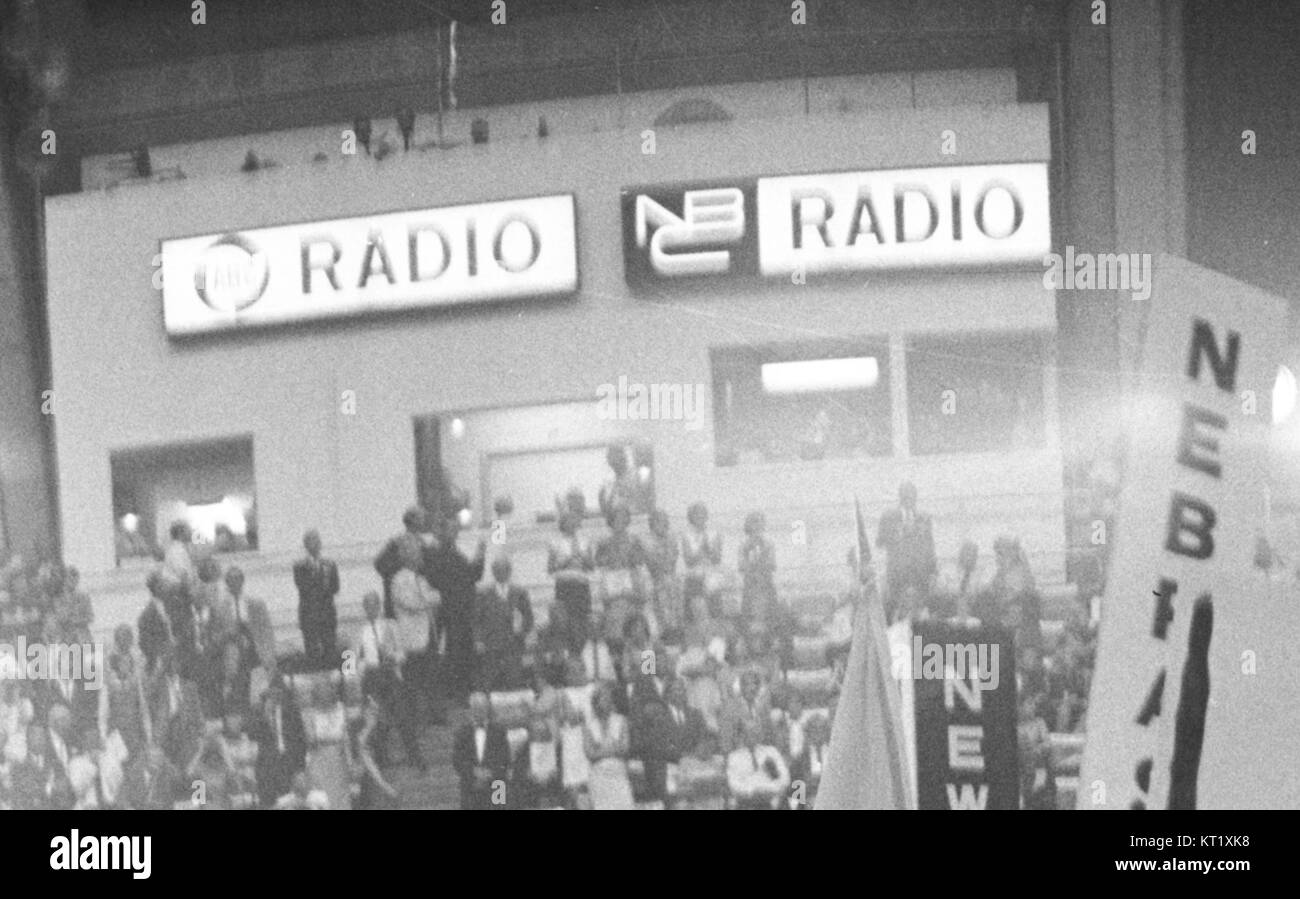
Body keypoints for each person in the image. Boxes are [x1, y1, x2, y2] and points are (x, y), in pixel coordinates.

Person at [426, 515, 486, 706]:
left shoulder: (454, 551)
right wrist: (476, 559)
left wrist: (480, 555)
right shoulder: (439, 552)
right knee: (456, 651)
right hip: (453, 608)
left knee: (464, 650)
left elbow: (472, 575)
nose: (456, 533)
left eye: (456, 529)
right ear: (442, 532)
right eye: (451, 529)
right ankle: (458, 693)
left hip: (463, 608)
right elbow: (466, 575)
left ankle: (463, 691)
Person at [353, 590, 418, 768]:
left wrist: (392, 656)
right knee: (377, 719)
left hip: (389, 672)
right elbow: (349, 660)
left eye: (374, 605)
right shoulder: (359, 630)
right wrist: (359, 669)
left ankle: (414, 756)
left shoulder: (391, 626)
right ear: (364, 609)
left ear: (380, 606)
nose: (371, 609)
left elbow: (403, 653)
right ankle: (382, 758)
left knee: (402, 714)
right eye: (367, 606)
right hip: (371, 676)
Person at [391, 538, 440, 717]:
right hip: (410, 638)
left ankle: (428, 716)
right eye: (418, 553)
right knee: (411, 682)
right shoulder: (399, 579)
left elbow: (431, 598)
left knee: (428, 679)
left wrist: (430, 599)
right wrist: (431, 599)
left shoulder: (419, 578)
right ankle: (411, 718)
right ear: (409, 557)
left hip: (425, 635)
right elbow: (411, 603)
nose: (421, 557)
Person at [875, 481, 937, 621]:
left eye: (912, 495)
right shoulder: (889, 516)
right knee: (898, 611)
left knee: (919, 611)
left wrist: (933, 570)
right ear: (900, 497)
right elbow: (879, 542)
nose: (909, 498)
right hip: (898, 573)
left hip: (920, 574)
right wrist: (894, 535)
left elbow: (930, 545)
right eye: (906, 495)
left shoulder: (924, 517)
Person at [474, 556, 534, 692]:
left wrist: (522, 634)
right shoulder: (483, 593)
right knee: (489, 681)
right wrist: (478, 640)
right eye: (497, 571)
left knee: (514, 679)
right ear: (493, 572)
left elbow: (528, 617)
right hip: (490, 643)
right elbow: (476, 619)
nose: (500, 574)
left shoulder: (519, 592)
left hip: (513, 644)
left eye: (503, 571)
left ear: (509, 572)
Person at [250, 679, 307, 808]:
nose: (274, 698)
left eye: (277, 694)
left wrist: (300, 769)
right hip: (266, 767)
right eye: (271, 695)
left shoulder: (292, 712)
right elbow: (252, 734)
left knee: (287, 803)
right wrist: (266, 715)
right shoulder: (258, 713)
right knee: (268, 804)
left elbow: (301, 741)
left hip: (288, 764)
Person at [594, 504, 645, 648]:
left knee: (639, 631)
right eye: (617, 518)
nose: (620, 522)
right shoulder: (604, 542)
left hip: (632, 583)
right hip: (613, 586)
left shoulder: (635, 539)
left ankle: (648, 669)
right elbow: (598, 562)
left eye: (624, 518)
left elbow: (640, 560)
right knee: (615, 634)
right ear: (611, 521)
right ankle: (622, 668)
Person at [451, 691, 510, 809]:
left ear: (488, 709)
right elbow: (457, 760)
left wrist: (489, 774)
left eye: (483, 708)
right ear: (471, 710)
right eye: (477, 709)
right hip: (471, 784)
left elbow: (505, 758)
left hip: (497, 783)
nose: (480, 712)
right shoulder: (462, 733)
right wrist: (474, 772)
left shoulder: (499, 731)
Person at [547, 510, 594, 655]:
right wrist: (566, 560)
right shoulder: (555, 542)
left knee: (581, 623)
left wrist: (583, 558)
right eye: (568, 521)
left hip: (581, 586)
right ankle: (572, 656)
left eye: (574, 520)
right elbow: (550, 568)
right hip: (565, 587)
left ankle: (578, 654)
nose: (571, 524)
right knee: (567, 623)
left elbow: (591, 566)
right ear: (563, 523)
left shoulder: (585, 541)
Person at [148, 649, 205, 769]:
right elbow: (147, 693)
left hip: (185, 732)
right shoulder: (159, 686)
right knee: (167, 771)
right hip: (165, 733)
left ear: (179, 664)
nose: (173, 666)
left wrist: (200, 731)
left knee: (188, 769)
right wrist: (159, 669)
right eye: (169, 662)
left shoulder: (190, 686)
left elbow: (197, 711)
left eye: (175, 662)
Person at [302, 678, 352, 810]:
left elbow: (346, 737)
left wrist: (350, 761)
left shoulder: (342, 709)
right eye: (320, 690)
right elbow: (311, 739)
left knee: (340, 797)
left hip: (339, 759)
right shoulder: (309, 713)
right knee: (322, 798)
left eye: (327, 689)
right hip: (319, 759)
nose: (324, 693)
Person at [583, 680, 634, 809]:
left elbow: (625, 748)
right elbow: (590, 753)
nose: (605, 702)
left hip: (618, 774)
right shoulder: (589, 726)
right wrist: (612, 748)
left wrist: (601, 749)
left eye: (607, 698)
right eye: (601, 699)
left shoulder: (621, 721)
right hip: (598, 776)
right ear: (595, 702)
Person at [294, 530, 340, 670]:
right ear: (305, 546)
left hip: (327, 614)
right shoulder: (299, 566)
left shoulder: (329, 564)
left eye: (316, 541)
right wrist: (320, 583)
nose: (314, 545)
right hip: (309, 615)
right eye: (310, 541)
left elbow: (335, 587)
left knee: (330, 651)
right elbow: (304, 588)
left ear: (320, 544)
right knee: (312, 654)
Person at [374, 507, 428, 621]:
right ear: (413, 520)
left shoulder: (422, 542)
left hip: (417, 591)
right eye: (420, 518)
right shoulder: (397, 542)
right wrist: (399, 572)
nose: (423, 520)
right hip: (400, 592)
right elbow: (380, 564)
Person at [224, 565, 277, 678]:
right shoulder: (221, 607)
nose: (234, 583)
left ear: (242, 581)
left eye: (237, 579)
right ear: (227, 583)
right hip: (234, 654)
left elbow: (267, 631)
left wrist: (268, 655)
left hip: (255, 652)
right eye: (231, 580)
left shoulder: (256, 604)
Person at [726, 719, 790, 810]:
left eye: (755, 731)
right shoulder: (734, 757)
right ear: (742, 735)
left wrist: (769, 791)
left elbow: (785, 778)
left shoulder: (771, 752)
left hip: (771, 798)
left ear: (760, 734)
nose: (752, 735)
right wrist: (753, 792)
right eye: (748, 732)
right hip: (746, 801)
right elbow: (733, 783)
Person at [643, 510, 684, 640]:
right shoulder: (646, 542)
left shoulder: (672, 539)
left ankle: (673, 639)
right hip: (654, 582)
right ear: (652, 524)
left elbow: (672, 561)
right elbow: (654, 564)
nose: (663, 524)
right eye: (658, 521)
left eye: (665, 521)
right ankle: (650, 659)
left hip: (671, 582)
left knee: (675, 618)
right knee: (655, 625)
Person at [353, 694, 399, 809]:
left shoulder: (382, 727)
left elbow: (385, 748)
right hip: (361, 771)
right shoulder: (357, 726)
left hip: (378, 768)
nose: (374, 713)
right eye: (370, 709)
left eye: (376, 710)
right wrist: (368, 727)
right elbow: (359, 746)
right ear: (364, 710)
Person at [681, 502, 724, 620]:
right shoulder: (686, 535)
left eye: (702, 514)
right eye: (696, 514)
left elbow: (717, 559)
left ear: (706, 516)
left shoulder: (715, 533)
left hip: (711, 578)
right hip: (694, 578)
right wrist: (701, 547)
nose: (700, 517)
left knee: (715, 613)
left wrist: (709, 549)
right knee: (694, 614)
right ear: (691, 517)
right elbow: (688, 561)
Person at [738, 511, 778, 634]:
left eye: (760, 522)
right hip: (750, 584)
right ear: (748, 525)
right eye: (754, 522)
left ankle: (770, 637)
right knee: (749, 613)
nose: (757, 526)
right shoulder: (743, 544)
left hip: (766, 583)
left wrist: (762, 561)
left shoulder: (769, 543)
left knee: (769, 613)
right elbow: (742, 566)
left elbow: (772, 564)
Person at [137, 571, 174, 676]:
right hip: (159, 668)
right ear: (156, 588)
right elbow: (145, 644)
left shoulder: (173, 606)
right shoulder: (146, 616)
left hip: (174, 663)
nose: (167, 586)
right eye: (163, 583)